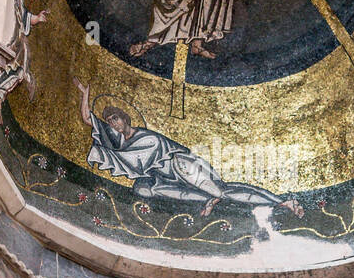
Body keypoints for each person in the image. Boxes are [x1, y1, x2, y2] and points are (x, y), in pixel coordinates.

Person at [73, 80, 303, 218]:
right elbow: (87, 119)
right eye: (110, 121)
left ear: (125, 118)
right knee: (142, 189)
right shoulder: (120, 139)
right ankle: (208, 199)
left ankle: (280, 202)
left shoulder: (146, 138)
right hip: (166, 178)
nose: (113, 123)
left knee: (222, 190)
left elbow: (136, 161)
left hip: (182, 165)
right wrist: (85, 95)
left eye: (115, 118)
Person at [0, 0, 48, 124]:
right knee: (16, 67)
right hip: (15, 39)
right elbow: (21, 13)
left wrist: (36, 18)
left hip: (19, 42)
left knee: (19, 71)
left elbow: (25, 15)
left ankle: (0, 95)